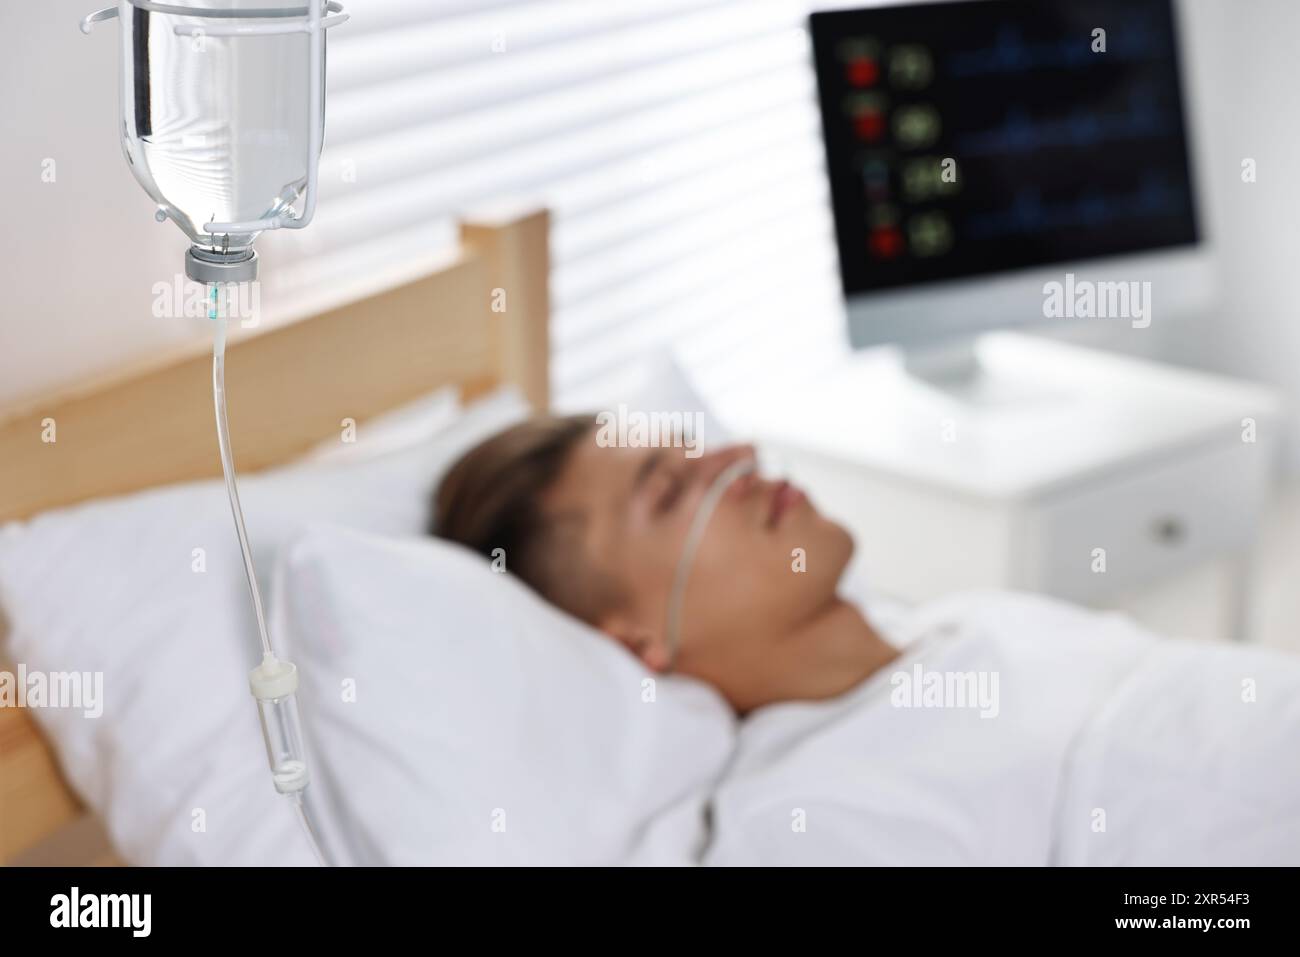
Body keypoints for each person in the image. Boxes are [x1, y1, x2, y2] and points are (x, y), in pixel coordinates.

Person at [432, 415, 899, 714]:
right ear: (636, 643)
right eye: (671, 492)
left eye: (699, 448)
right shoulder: (826, 821)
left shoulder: (955, 635)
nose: (742, 457)